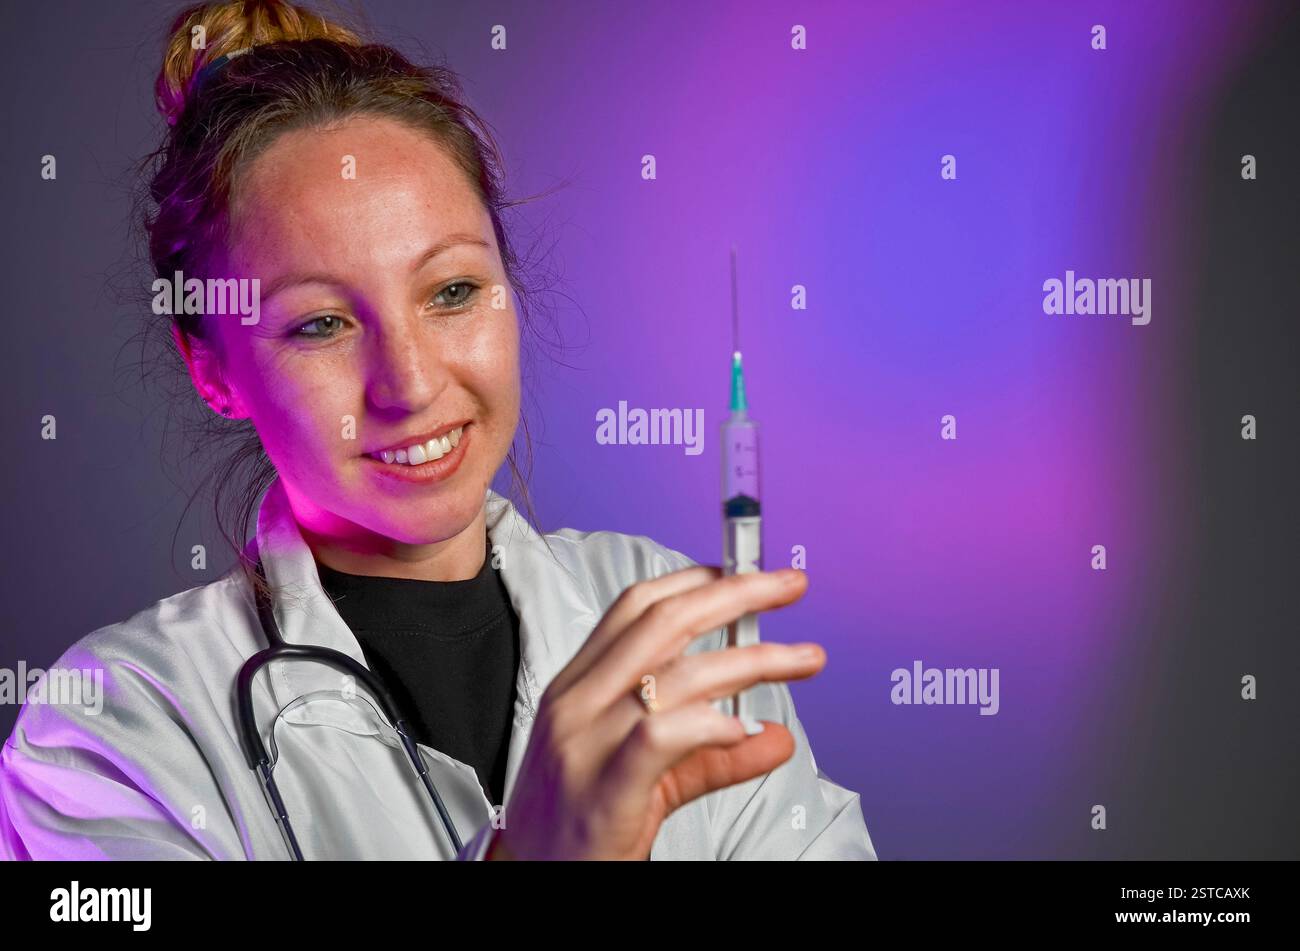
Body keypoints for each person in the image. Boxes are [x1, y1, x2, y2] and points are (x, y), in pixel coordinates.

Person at [0, 0, 876, 861]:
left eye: (452, 292)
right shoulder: (112, 731)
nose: (412, 384)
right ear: (213, 365)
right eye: (320, 324)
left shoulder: (669, 619)